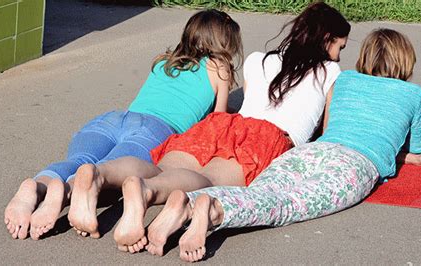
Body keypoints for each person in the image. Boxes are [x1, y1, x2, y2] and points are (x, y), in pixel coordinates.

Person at [66, 2, 350, 254]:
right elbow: (327, 130)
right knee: (208, 180)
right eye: (340, 47)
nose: (338, 56)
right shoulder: (331, 72)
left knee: (162, 168)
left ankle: (101, 174)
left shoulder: (257, 60)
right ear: (327, 40)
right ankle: (147, 192)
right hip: (267, 138)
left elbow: (246, 107)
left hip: (223, 125)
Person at [153, 28, 421, 263]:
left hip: (314, 151)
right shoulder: (413, 94)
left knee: (260, 191)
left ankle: (190, 203)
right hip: (354, 165)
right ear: (407, 61)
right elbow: (419, 146)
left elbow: (330, 127)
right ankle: (215, 210)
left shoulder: (345, 80)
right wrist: (416, 156)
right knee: (286, 204)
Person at [4, 9, 243, 240]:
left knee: (78, 161)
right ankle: (66, 192)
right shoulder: (218, 66)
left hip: (116, 119)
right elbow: (217, 120)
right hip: (155, 130)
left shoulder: (165, 62)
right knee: (105, 172)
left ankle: (37, 186)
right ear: (224, 45)